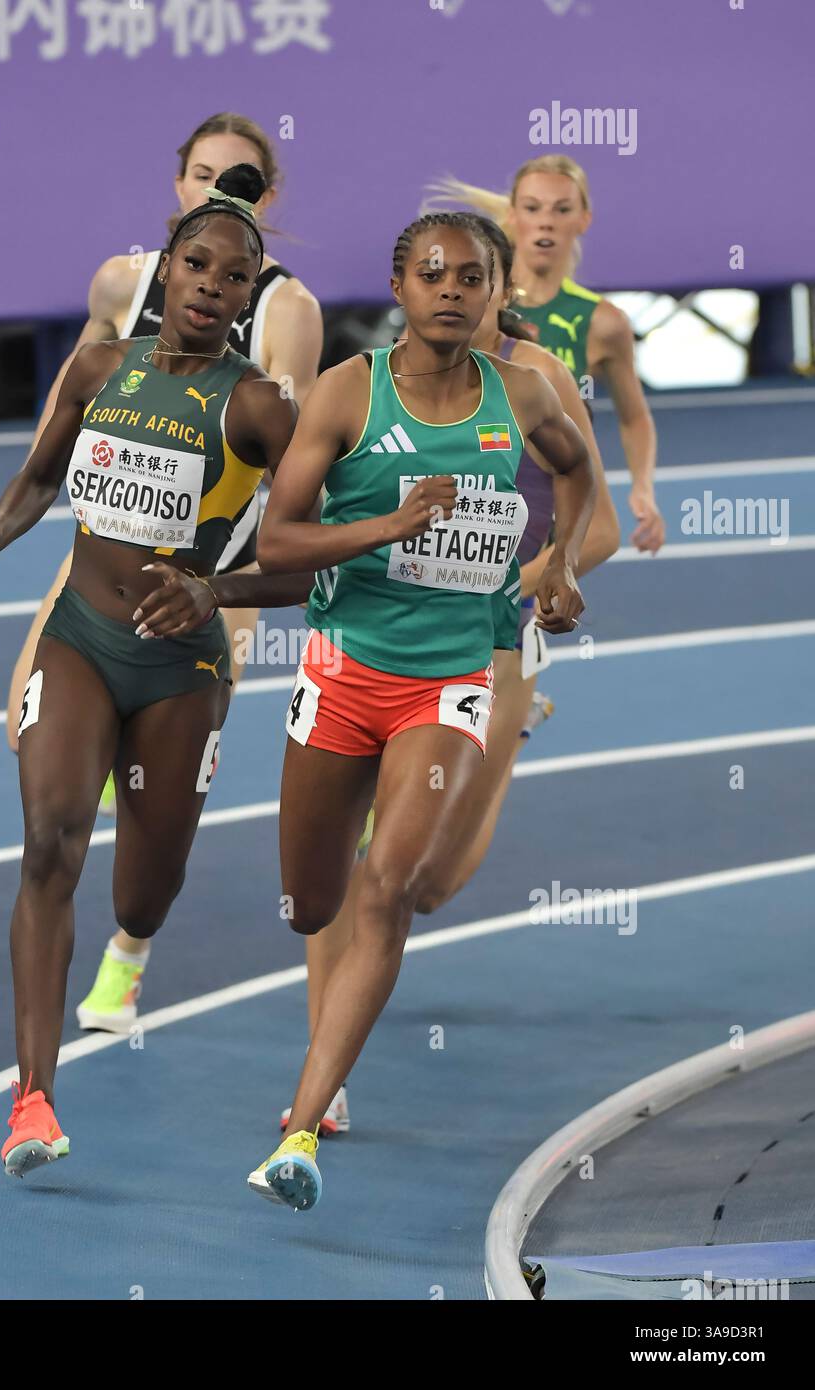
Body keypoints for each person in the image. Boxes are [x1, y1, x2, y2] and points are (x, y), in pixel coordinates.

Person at [0, 166, 312, 1178]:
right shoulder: (100, 367)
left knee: (147, 882)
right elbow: (43, 473)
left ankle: (132, 946)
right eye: (195, 265)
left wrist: (213, 594)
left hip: (182, 669)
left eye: (233, 279)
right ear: (167, 265)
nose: (209, 287)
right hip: (80, 640)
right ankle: (32, 1101)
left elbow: (312, 556)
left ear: (248, 295)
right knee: (50, 842)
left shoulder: (263, 409)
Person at [247, 212, 597, 1210]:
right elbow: (275, 544)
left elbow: (574, 473)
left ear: (493, 293)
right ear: (399, 287)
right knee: (312, 901)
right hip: (344, 667)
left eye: (471, 277)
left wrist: (559, 565)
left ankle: (303, 1124)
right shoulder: (345, 394)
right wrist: (390, 526)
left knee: (390, 887)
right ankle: (321, 1021)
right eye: (432, 274)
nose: (451, 289)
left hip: (449, 676)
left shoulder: (520, 389)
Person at [3, 113, 323, 1038]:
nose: (218, 187)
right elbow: (69, 411)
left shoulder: (284, 310)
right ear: (177, 185)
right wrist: (13, 521)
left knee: (155, 818)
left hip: (210, 573)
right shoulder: (120, 282)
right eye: (203, 173)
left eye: (240, 176)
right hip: (98, 552)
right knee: (32, 757)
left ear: (266, 199)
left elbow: (283, 474)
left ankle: (130, 952)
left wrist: (233, 603)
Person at [425, 155, 664, 553]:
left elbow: (634, 416)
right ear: (514, 214)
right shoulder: (461, 307)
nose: (546, 221)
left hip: (554, 502)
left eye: (562, 209)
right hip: (475, 497)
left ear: (583, 219)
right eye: (533, 208)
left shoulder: (602, 322)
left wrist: (643, 488)